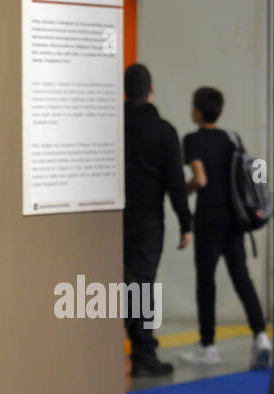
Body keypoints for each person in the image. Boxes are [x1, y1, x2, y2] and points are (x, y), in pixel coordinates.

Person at [181, 86, 271, 368]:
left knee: (206, 282)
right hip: (235, 219)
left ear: (197, 110)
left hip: (209, 220)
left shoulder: (192, 140)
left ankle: (208, 346)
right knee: (241, 278)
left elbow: (201, 178)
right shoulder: (232, 139)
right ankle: (260, 337)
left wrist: (183, 190)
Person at [124, 64, 192, 377]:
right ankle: (143, 354)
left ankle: (122, 347)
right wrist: (186, 223)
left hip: (112, 218)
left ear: (126, 91)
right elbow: (176, 184)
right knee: (142, 285)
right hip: (149, 220)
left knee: (119, 285)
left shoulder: (112, 125)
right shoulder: (164, 131)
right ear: (151, 90)